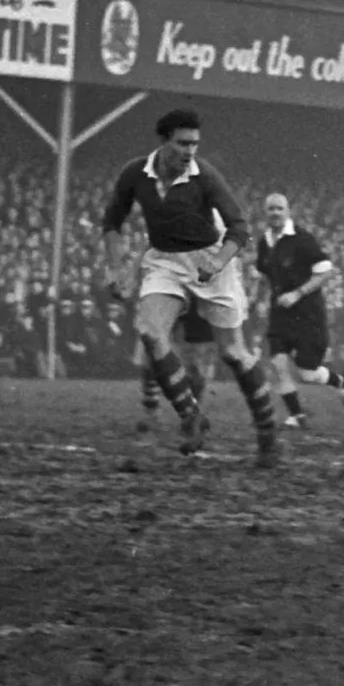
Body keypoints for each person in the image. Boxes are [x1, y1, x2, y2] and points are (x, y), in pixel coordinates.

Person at [101, 108, 282, 466]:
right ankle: (191, 416)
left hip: (211, 260)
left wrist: (217, 262)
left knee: (233, 353)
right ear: (164, 141)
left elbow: (239, 228)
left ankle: (268, 433)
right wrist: (115, 268)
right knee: (151, 334)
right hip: (166, 260)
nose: (189, 151)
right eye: (183, 143)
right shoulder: (135, 173)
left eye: (195, 145)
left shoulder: (205, 176)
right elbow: (112, 222)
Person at [252, 192, 344, 428]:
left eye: (280, 208)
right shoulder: (263, 242)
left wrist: (297, 293)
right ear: (265, 213)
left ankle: (341, 382)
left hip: (308, 313)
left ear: (288, 212)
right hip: (280, 313)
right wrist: (258, 298)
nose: (275, 213)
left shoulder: (302, 239)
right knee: (278, 364)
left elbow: (326, 271)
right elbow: (264, 275)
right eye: (271, 209)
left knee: (307, 372)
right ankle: (298, 416)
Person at [133, 297, 217, 434]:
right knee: (151, 345)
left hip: (196, 297)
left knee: (196, 366)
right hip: (166, 290)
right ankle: (152, 411)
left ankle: (191, 414)